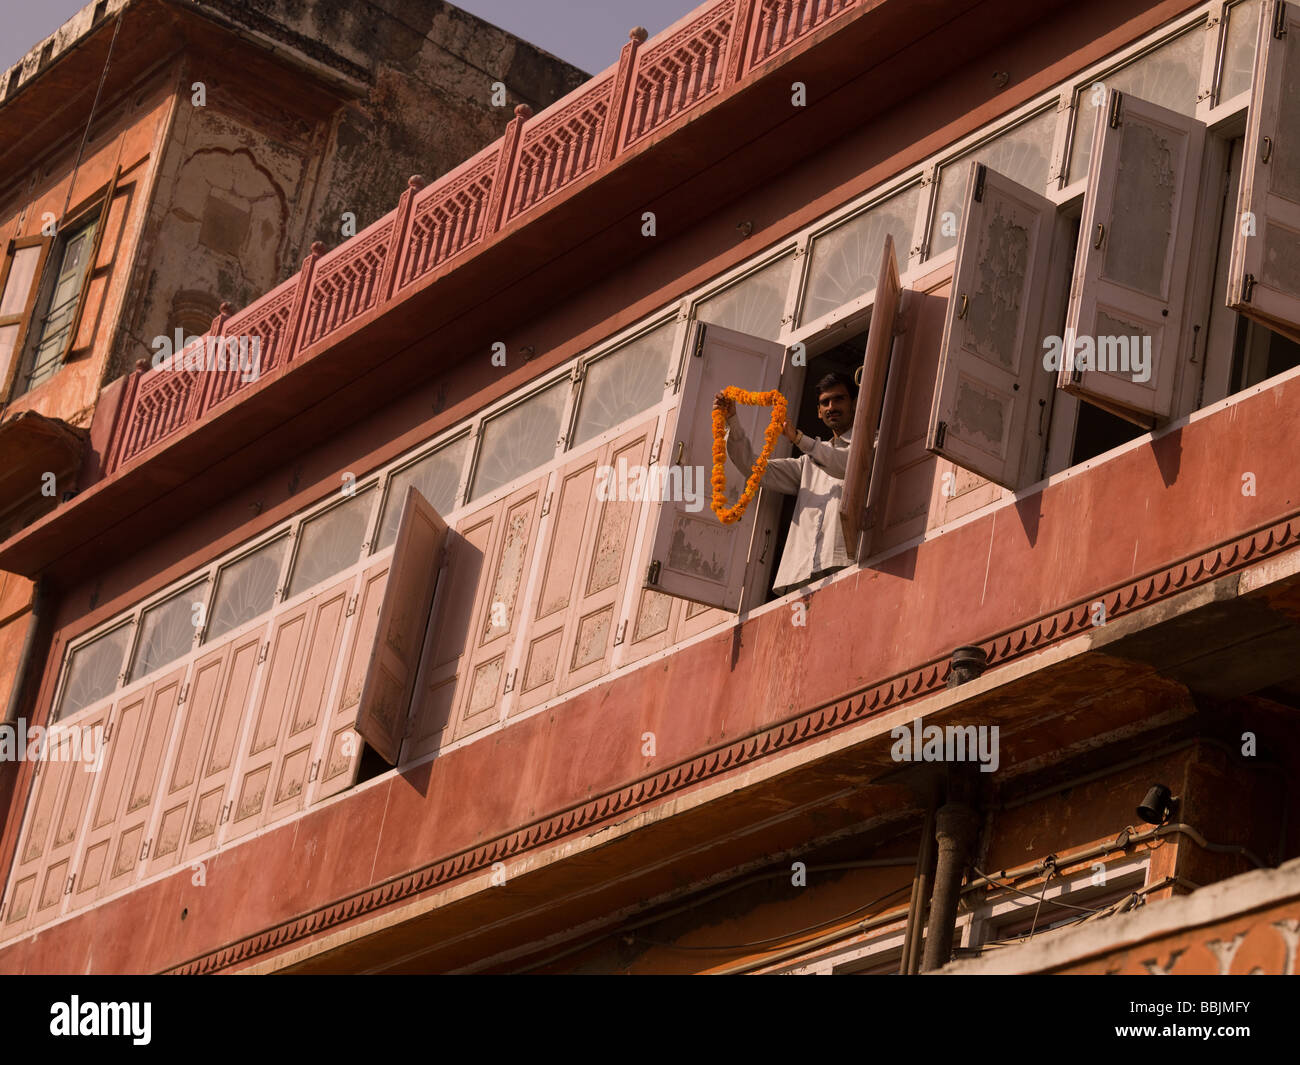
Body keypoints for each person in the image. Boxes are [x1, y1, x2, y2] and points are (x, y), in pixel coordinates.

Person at [713, 370, 857, 596]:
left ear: (855, 404)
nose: (831, 407)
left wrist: (798, 438)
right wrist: (732, 420)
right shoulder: (808, 463)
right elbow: (755, 469)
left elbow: (847, 465)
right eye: (824, 403)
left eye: (839, 399)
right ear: (819, 413)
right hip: (801, 574)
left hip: (841, 561)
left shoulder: (871, 444)